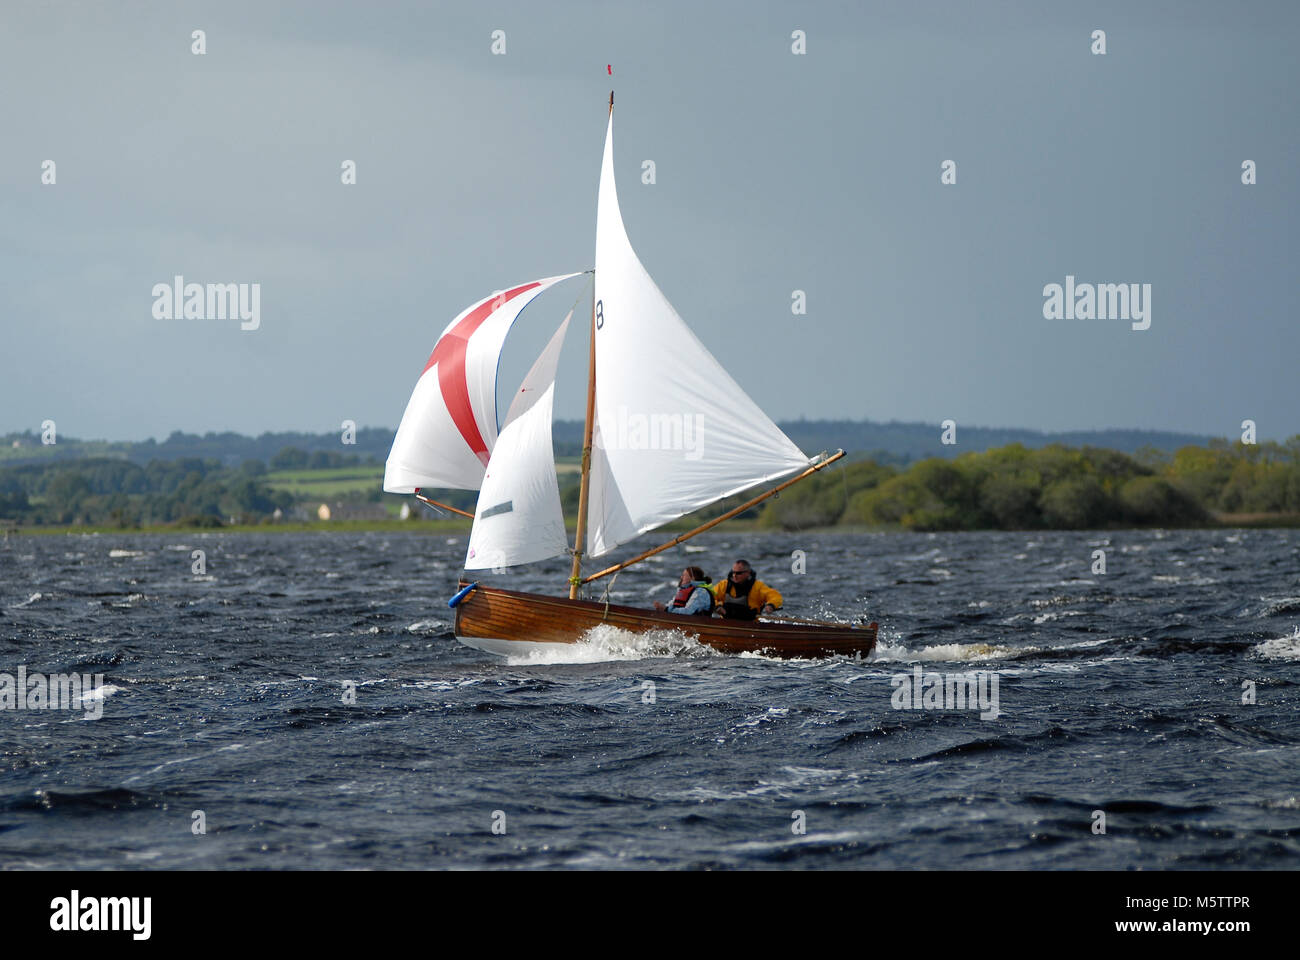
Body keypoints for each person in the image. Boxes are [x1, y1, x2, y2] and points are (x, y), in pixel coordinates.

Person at [712, 559, 782, 620]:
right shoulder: (724, 585)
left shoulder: (758, 587)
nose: (734, 575)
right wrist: (717, 606)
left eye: (738, 573)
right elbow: (710, 597)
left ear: (748, 573)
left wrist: (771, 605)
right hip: (726, 622)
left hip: (750, 624)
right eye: (733, 572)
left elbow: (775, 596)